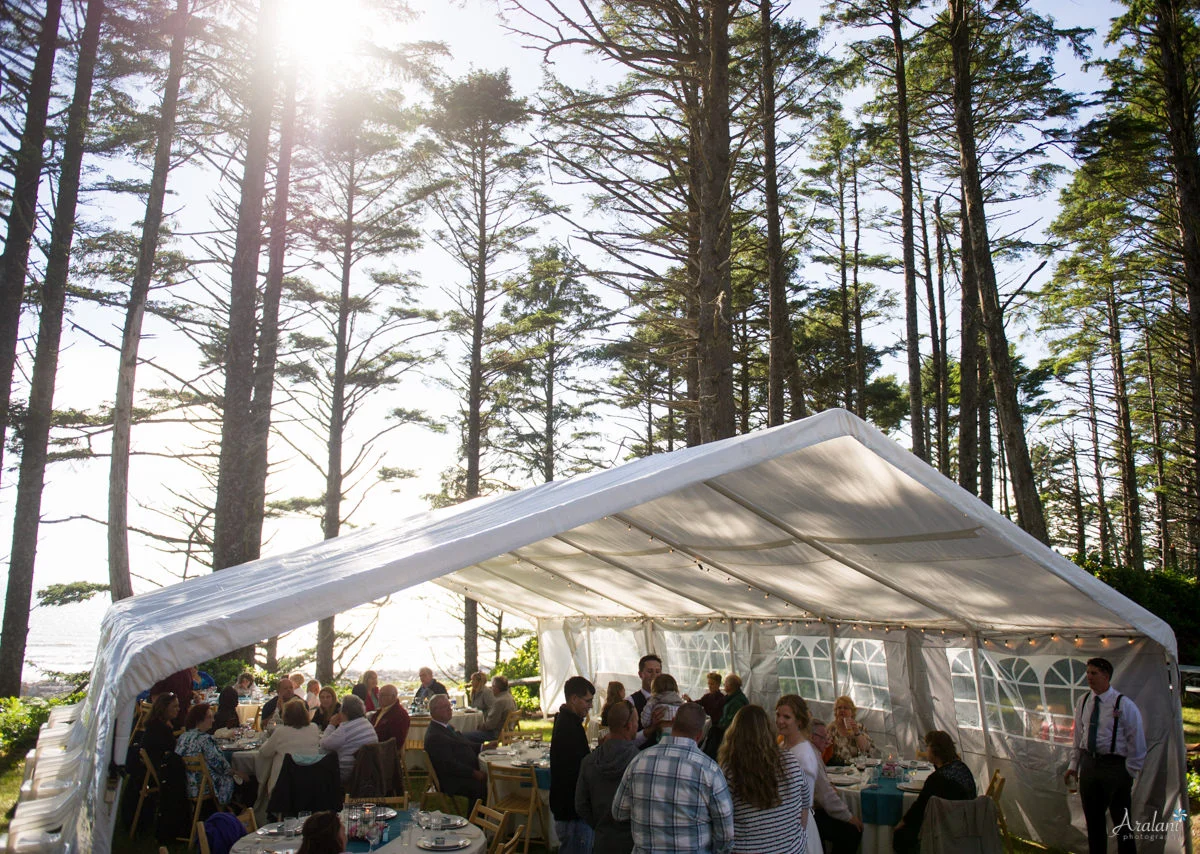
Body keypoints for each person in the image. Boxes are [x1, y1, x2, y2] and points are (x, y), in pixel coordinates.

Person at [613, 702, 734, 854]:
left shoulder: (639, 761)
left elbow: (619, 813)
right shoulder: (710, 770)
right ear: (699, 735)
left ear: (673, 721)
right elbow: (726, 834)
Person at [1064, 656, 1146, 854]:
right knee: (1093, 821)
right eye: (1087, 673)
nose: (1089, 677)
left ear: (1106, 676)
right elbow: (1079, 736)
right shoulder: (1084, 701)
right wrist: (1074, 765)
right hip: (1090, 764)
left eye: (1094, 673)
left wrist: (1129, 772)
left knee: (1122, 821)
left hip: (1114, 766)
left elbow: (1137, 741)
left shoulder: (1123, 704)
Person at [719, 704, 809, 854]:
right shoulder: (790, 761)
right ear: (769, 730)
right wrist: (797, 838)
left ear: (734, 733)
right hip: (792, 849)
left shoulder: (730, 771)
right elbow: (805, 804)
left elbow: (721, 820)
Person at [776, 698, 862, 854]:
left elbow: (814, 797)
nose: (780, 721)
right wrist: (849, 817)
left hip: (795, 820)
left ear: (799, 722)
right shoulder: (790, 750)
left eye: (786, 717)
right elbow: (823, 795)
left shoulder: (802, 752)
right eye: (778, 715)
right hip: (793, 821)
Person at [892, 730, 977, 854]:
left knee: (901, 835)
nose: (926, 750)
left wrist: (901, 823)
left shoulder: (937, 779)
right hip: (967, 825)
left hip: (944, 830)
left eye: (927, 747)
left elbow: (919, 808)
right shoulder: (961, 767)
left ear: (935, 751)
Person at [575, 700, 639, 854]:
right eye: (637, 721)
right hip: (632, 842)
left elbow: (581, 804)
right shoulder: (639, 762)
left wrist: (600, 824)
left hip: (602, 840)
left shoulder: (589, 761)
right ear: (629, 725)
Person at [550, 676, 595, 854]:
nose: (590, 706)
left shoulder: (568, 720)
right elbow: (577, 769)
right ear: (574, 699)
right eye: (587, 701)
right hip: (571, 810)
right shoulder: (568, 727)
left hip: (568, 807)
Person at [175, 702, 245, 804]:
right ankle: (241, 810)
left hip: (188, 785)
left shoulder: (183, 737)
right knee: (246, 781)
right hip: (207, 786)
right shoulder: (205, 739)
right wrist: (237, 773)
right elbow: (220, 765)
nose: (213, 720)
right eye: (209, 717)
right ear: (199, 720)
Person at [423, 694, 487, 805]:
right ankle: (477, 815)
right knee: (481, 787)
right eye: (445, 707)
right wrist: (473, 773)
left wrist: (483, 747)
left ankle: (487, 812)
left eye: (449, 706)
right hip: (451, 779)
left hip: (461, 771)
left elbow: (464, 743)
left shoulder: (446, 727)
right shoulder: (435, 735)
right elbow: (449, 764)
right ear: (434, 711)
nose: (449, 710)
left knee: (490, 777)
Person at [256, 698, 322, 803]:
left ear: (285, 715)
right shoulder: (314, 728)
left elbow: (265, 752)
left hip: (284, 785)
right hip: (310, 781)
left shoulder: (281, 732)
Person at [319, 693, 378, 784]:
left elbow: (324, 744)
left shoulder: (346, 728)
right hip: (366, 771)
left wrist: (331, 724)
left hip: (347, 773)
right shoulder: (366, 723)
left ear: (345, 712)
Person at [466, 675, 516, 743]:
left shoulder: (499, 702)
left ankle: (478, 749)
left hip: (496, 733)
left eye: (493, 686)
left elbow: (490, 725)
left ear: (497, 688)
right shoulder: (510, 697)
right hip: (507, 731)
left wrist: (478, 727)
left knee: (465, 735)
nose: (491, 689)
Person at [827, 695, 874, 765]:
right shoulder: (831, 728)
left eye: (845, 708)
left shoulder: (859, 727)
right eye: (839, 708)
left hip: (857, 766)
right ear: (836, 711)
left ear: (852, 712)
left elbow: (865, 749)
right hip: (837, 767)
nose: (842, 710)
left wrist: (857, 732)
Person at [141, 692, 179, 763]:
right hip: (159, 764)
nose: (178, 709)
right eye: (174, 706)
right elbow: (175, 749)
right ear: (164, 708)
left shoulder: (152, 723)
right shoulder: (162, 728)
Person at [630, 654, 662, 719]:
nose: (654, 675)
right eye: (650, 671)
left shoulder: (669, 698)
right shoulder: (631, 702)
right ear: (640, 674)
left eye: (657, 671)